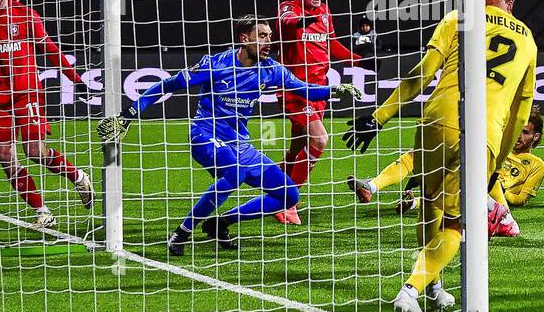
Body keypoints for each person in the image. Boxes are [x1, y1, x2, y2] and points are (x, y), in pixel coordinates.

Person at [342, 0, 537, 312]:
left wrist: (377, 117)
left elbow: (420, 75)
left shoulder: (456, 19)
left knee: (430, 203)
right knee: (457, 224)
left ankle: (433, 285)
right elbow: (520, 114)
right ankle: (410, 290)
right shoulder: (526, 39)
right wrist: (496, 165)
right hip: (479, 131)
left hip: (432, 120)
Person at [99, 15, 360, 254]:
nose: (269, 41)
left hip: (240, 143)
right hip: (205, 135)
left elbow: (305, 89)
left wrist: (334, 90)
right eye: (262, 35)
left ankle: (221, 222)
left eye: (270, 35)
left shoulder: (271, 69)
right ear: (244, 39)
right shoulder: (216, 65)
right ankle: (182, 232)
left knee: (289, 195)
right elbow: (168, 85)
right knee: (235, 173)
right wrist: (129, 114)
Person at [0, 0, 93, 229]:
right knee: (4, 157)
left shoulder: (25, 15)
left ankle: (78, 176)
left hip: (27, 95)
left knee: (35, 152)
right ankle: (42, 211)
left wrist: (75, 79)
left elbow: (51, 50)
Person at [272, 0, 361, 225]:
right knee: (320, 140)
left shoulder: (324, 11)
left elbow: (332, 45)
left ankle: (281, 174)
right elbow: (286, 24)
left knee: (298, 147)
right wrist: (302, 21)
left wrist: (358, 60)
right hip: (294, 90)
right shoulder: (288, 7)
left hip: (319, 91)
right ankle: (288, 201)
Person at [488, 107, 544, 236]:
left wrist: (503, 191)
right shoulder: (499, 148)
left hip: (495, 194)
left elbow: (521, 200)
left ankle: (505, 219)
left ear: (536, 136)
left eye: (525, 132)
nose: (519, 137)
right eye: (516, 131)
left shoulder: (537, 165)